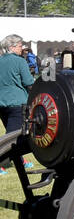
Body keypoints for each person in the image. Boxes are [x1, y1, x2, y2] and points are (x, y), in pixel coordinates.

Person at [0, 35, 34, 173]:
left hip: (2, 103)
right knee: (13, 139)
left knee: (11, 136)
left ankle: (20, 161)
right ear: (12, 47)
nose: (22, 49)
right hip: (17, 103)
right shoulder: (19, 61)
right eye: (20, 46)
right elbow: (28, 82)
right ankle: (1, 164)